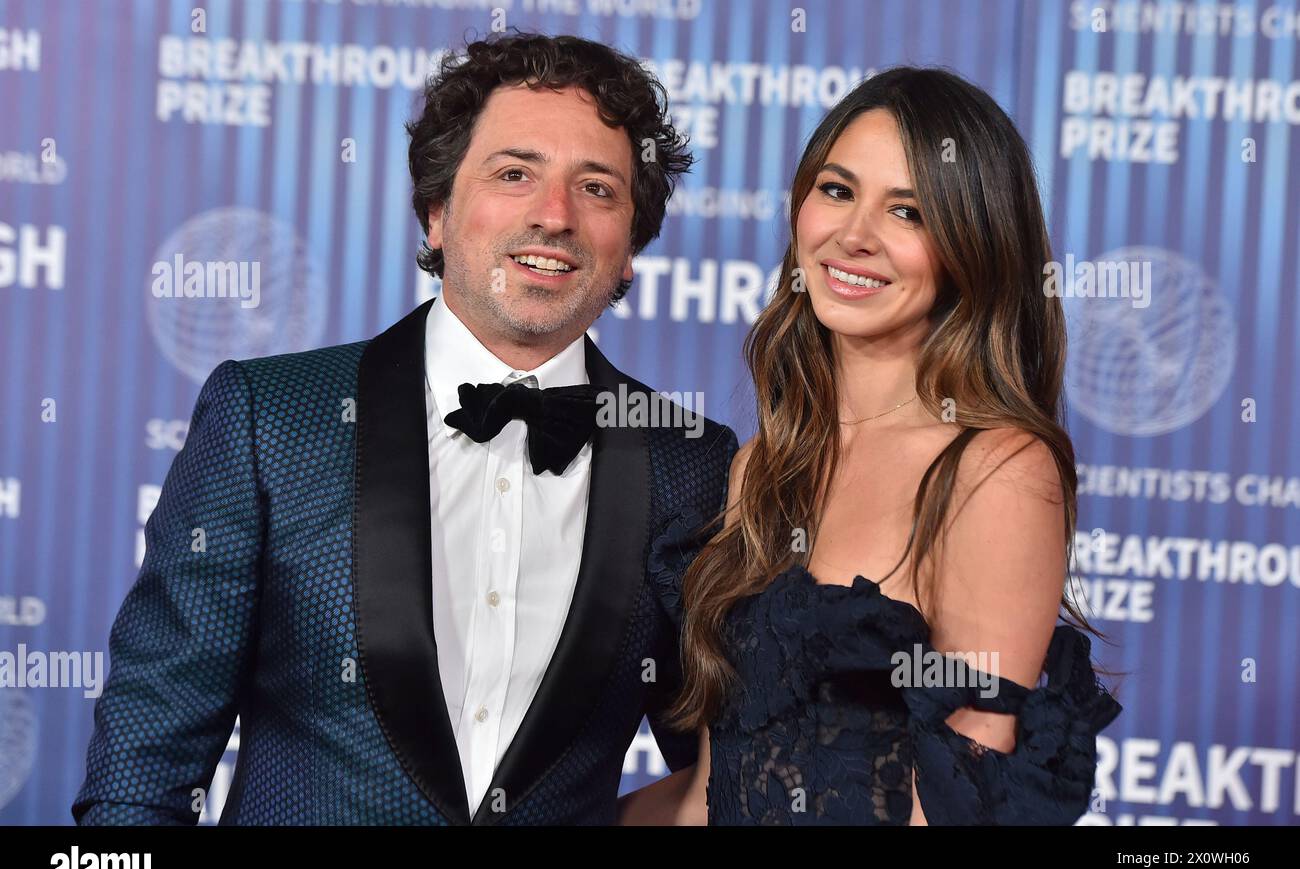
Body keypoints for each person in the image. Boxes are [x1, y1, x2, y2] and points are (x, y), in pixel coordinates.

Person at [73, 32, 737, 826]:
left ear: (629, 248)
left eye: (597, 189)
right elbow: (141, 773)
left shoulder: (694, 462)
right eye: (514, 173)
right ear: (436, 213)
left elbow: (726, 770)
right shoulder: (271, 418)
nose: (553, 216)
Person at [618, 66, 1122, 826]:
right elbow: (713, 794)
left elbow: (963, 795)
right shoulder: (764, 465)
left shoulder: (995, 468)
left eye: (909, 211)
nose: (854, 236)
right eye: (837, 190)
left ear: (973, 244)